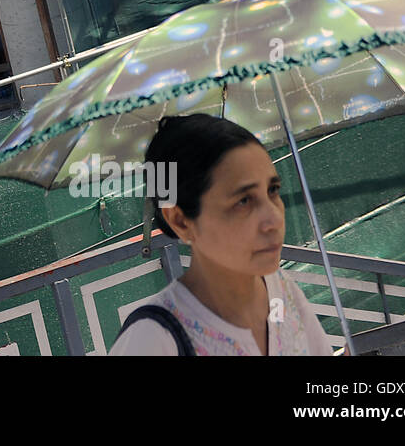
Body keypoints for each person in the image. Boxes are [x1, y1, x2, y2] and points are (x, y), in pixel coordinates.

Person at [109, 113, 334, 356]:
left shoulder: (283, 293)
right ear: (181, 220)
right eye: (244, 200)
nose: (274, 220)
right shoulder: (151, 340)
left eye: (273, 190)